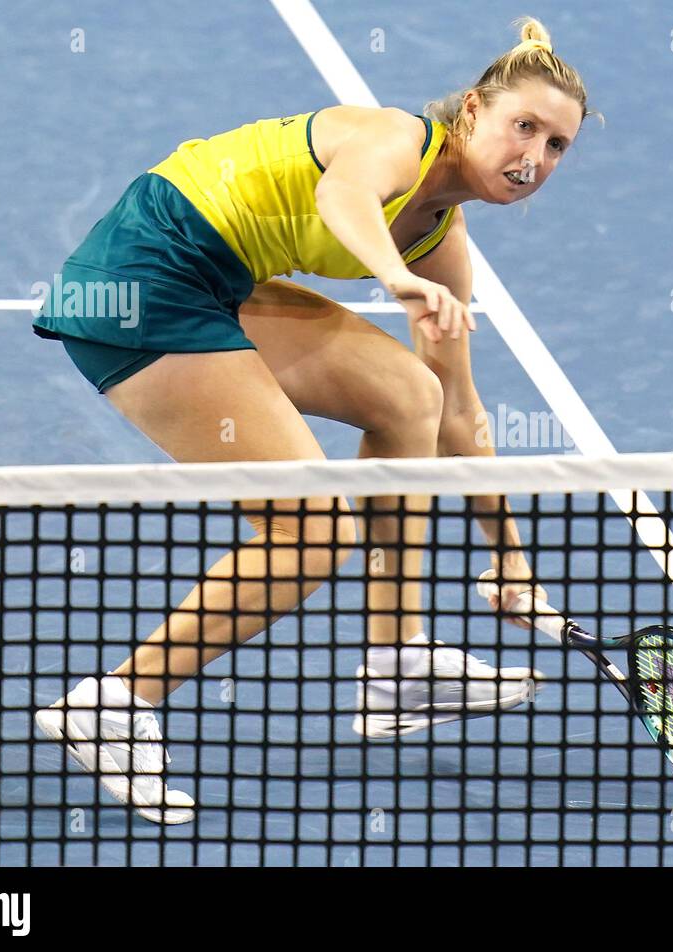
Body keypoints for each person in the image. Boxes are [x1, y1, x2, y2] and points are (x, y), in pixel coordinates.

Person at [32, 17, 593, 824]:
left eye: (557, 145)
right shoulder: (397, 141)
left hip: (219, 276)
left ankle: (396, 661)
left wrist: (509, 559)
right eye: (524, 126)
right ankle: (113, 703)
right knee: (315, 531)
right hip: (142, 276)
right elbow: (341, 197)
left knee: (410, 398)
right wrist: (394, 278)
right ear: (472, 110)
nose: (534, 157)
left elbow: (462, 417)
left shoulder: (442, 236)